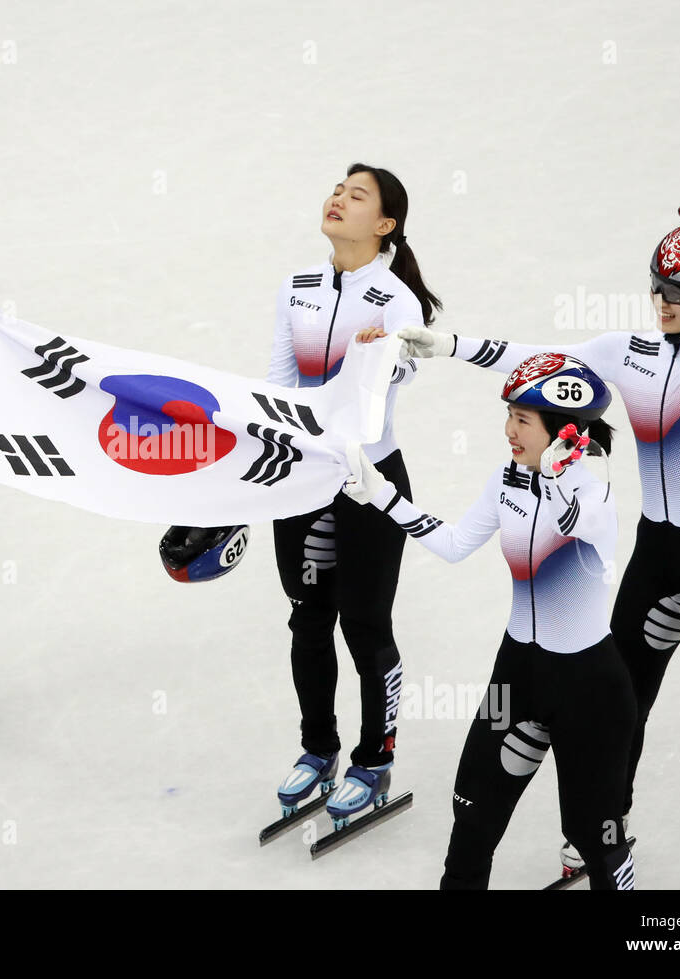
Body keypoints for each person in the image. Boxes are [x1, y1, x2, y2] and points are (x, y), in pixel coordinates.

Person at [400, 185, 680, 888]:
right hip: (658, 551)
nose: (663, 300)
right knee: (623, 704)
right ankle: (603, 834)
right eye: (657, 286)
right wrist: (450, 345)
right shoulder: (629, 351)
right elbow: (540, 361)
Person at [345, 352, 636, 889]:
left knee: (595, 837)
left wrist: (558, 474)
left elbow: (572, 517)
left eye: (522, 420)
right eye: (509, 415)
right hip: (516, 673)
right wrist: (382, 495)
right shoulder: (505, 480)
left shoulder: (594, 495)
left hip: (587, 686)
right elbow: (455, 545)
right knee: (472, 812)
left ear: (564, 432)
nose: (508, 430)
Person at [269, 165, 440, 828]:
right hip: (304, 476)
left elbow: (395, 378)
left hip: (370, 481)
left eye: (357, 194)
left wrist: (381, 357)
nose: (339, 198)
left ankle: (375, 759)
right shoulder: (297, 286)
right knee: (308, 616)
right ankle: (318, 749)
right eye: (337, 188)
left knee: (365, 623)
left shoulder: (396, 300)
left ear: (386, 225)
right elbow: (281, 385)